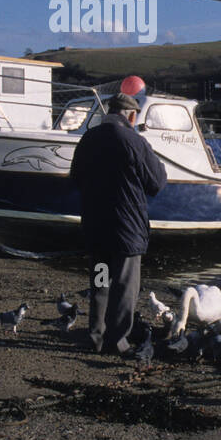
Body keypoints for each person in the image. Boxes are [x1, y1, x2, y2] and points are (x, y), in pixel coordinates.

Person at [69, 91, 166, 353]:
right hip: (126, 229)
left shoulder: (87, 139)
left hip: (95, 227)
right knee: (124, 287)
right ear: (131, 116)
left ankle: (96, 337)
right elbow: (157, 182)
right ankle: (117, 342)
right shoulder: (134, 141)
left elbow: (75, 178)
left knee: (100, 282)